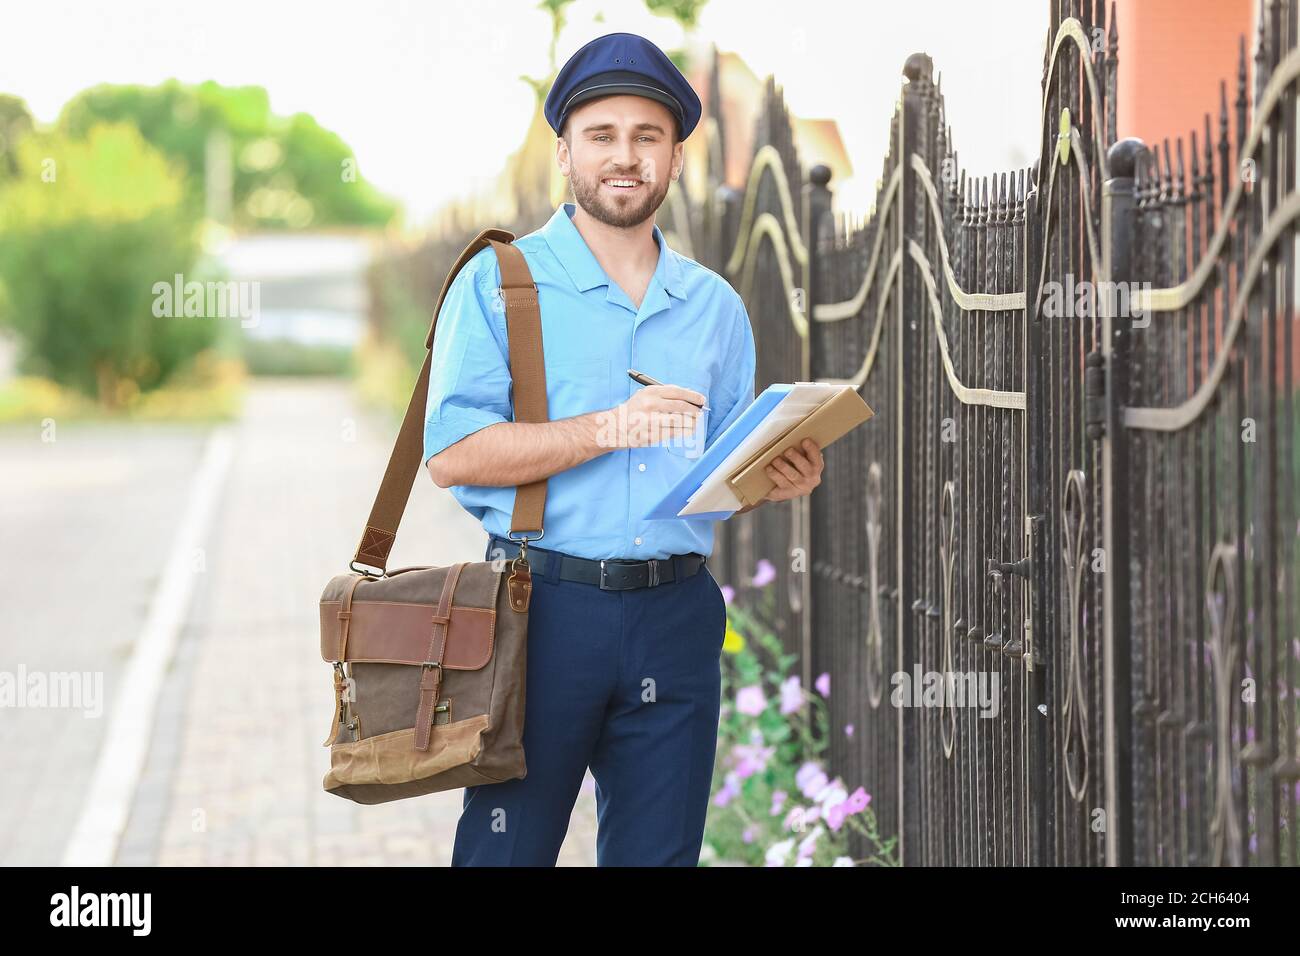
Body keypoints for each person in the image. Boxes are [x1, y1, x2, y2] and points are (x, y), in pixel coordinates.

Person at [423, 31, 824, 866]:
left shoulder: (713, 307)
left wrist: (773, 477)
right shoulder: (500, 282)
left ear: (675, 158)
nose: (625, 156)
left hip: (675, 617)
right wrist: (610, 427)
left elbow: (715, 476)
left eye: (648, 137)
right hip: (541, 612)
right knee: (507, 853)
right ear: (565, 153)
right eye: (602, 135)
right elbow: (453, 454)